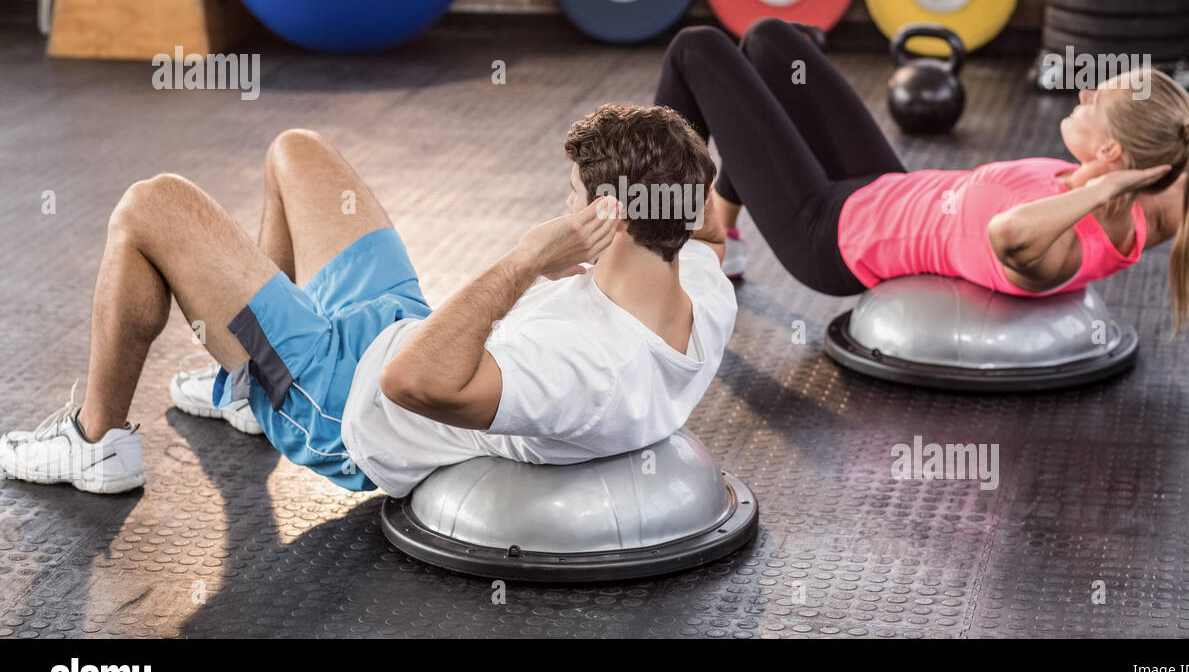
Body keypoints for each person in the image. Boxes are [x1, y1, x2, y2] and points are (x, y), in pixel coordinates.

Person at [0, 106, 736, 495]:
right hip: (406, 325)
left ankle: (98, 444)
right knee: (296, 151)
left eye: (571, 202)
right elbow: (708, 228)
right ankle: (243, 386)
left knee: (151, 205)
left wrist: (527, 259)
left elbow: (411, 381)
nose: (561, 212)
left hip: (338, 399)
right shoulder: (696, 287)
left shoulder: (585, 370)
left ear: (613, 220)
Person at [655, 18, 1189, 333]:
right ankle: (726, 229)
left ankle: (650, 252)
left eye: (1094, 101)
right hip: (881, 184)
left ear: (1111, 154)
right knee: (768, 42)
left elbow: (1008, 233)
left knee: (696, 48)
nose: (1083, 90)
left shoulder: (1060, 250)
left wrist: (1103, 188)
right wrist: (1178, 133)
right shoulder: (1152, 204)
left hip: (829, 237)